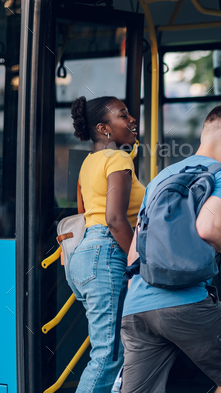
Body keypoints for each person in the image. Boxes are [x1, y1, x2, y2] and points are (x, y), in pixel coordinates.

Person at [120, 104, 221, 393]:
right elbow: (207, 228)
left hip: (137, 307)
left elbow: (134, 252)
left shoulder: (160, 178)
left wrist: (143, 297)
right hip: (185, 302)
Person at [66, 96, 145, 392]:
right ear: (104, 128)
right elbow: (114, 220)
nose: (132, 119)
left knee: (114, 351)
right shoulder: (118, 159)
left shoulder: (88, 162)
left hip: (84, 257)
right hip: (106, 253)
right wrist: (140, 262)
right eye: (123, 115)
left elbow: (83, 214)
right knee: (107, 356)